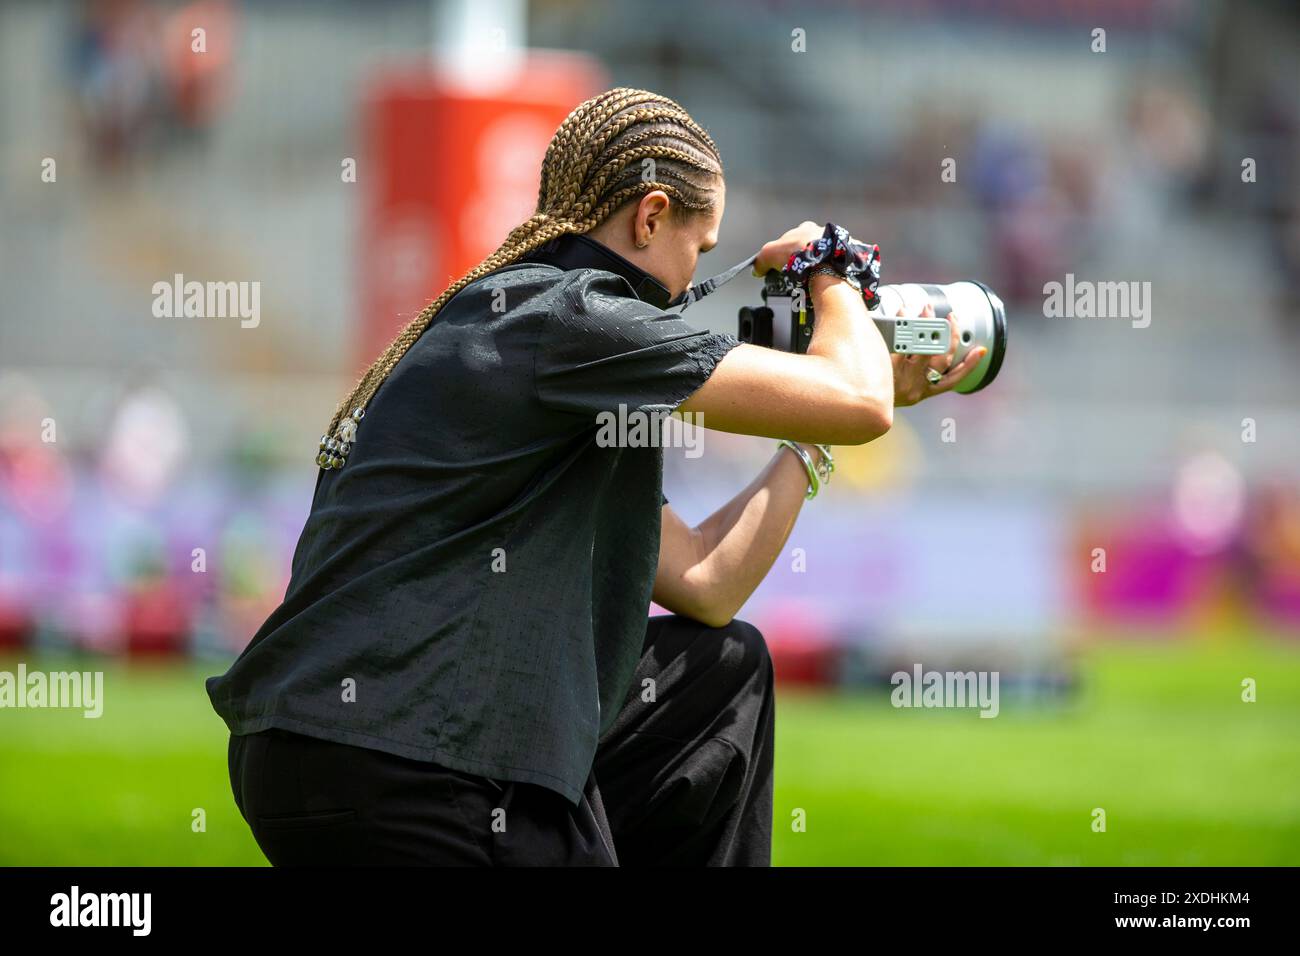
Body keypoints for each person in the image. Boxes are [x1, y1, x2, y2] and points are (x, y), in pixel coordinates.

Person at [206, 87, 984, 866]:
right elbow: (857, 400)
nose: (691, 283)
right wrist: (834, 272)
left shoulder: (531, 325)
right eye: (700, 248)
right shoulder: (574, 316)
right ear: (649, 217)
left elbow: (706, 580)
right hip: (407, 752)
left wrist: (806, 447)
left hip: (337, 741)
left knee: (723, 675)